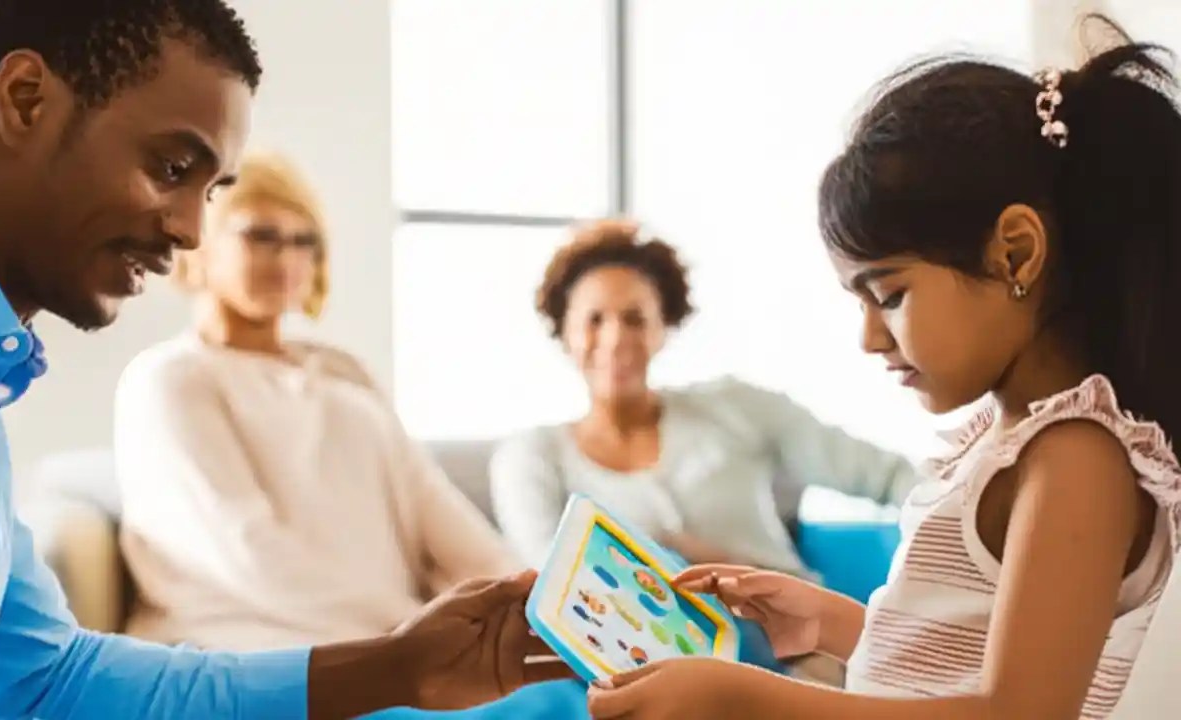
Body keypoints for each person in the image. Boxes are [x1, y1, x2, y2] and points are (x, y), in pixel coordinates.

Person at [0, 2, 564, 719]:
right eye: (170, 167)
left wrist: (400, 669)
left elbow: (49, 683)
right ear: (26, 99)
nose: (190, 230)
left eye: (210, 191)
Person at [586, 19, 1181, 720]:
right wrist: (830, 623)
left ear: (1016, 253)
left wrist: (753, 701)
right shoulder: (1016, 443)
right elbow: (964, 663)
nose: (870, 337)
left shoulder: (1077, 461)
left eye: (889, 295)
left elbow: (1020, 713)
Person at [114, 152, 521, 651]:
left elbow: (435, 509)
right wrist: (412, 634)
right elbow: (248, 552)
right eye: (260, 236)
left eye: (303, 241)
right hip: (261, 654)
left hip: (391, 645)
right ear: (203, 244)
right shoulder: (170, 379)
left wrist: (532, 606)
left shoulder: (341, 370)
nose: (285, 259)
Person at [491, 220, 920, 575]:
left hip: (797, 654)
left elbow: (889, 477)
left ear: (664, 327)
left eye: (635, 318)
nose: (616, 338)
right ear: (564, 331)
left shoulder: (737, 406)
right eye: (594, 319)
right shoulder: (531, 458)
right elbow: (554, 586)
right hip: (639, 667)